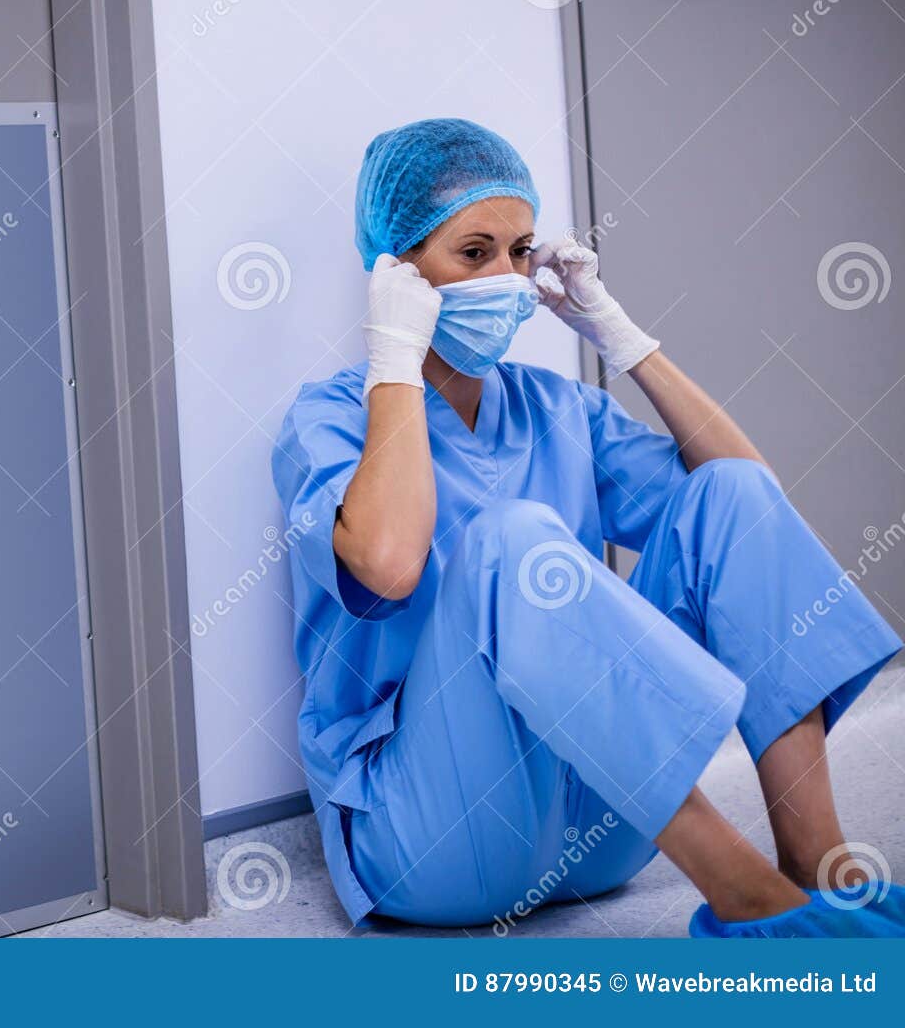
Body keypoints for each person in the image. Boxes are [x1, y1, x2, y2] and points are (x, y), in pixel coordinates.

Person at [272, 118, 903, 937]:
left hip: (598, 824)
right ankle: (750, 897)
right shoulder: (324, 421)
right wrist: (394, 359)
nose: (507, 276)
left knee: (731, 493)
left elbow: (752, 508)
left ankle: (817, 863)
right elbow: (391, 564)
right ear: (401, 271)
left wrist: (625, 340)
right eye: (474, 253)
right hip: (437, 837)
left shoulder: (555, 406)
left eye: (519, 250)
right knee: (512, 541)